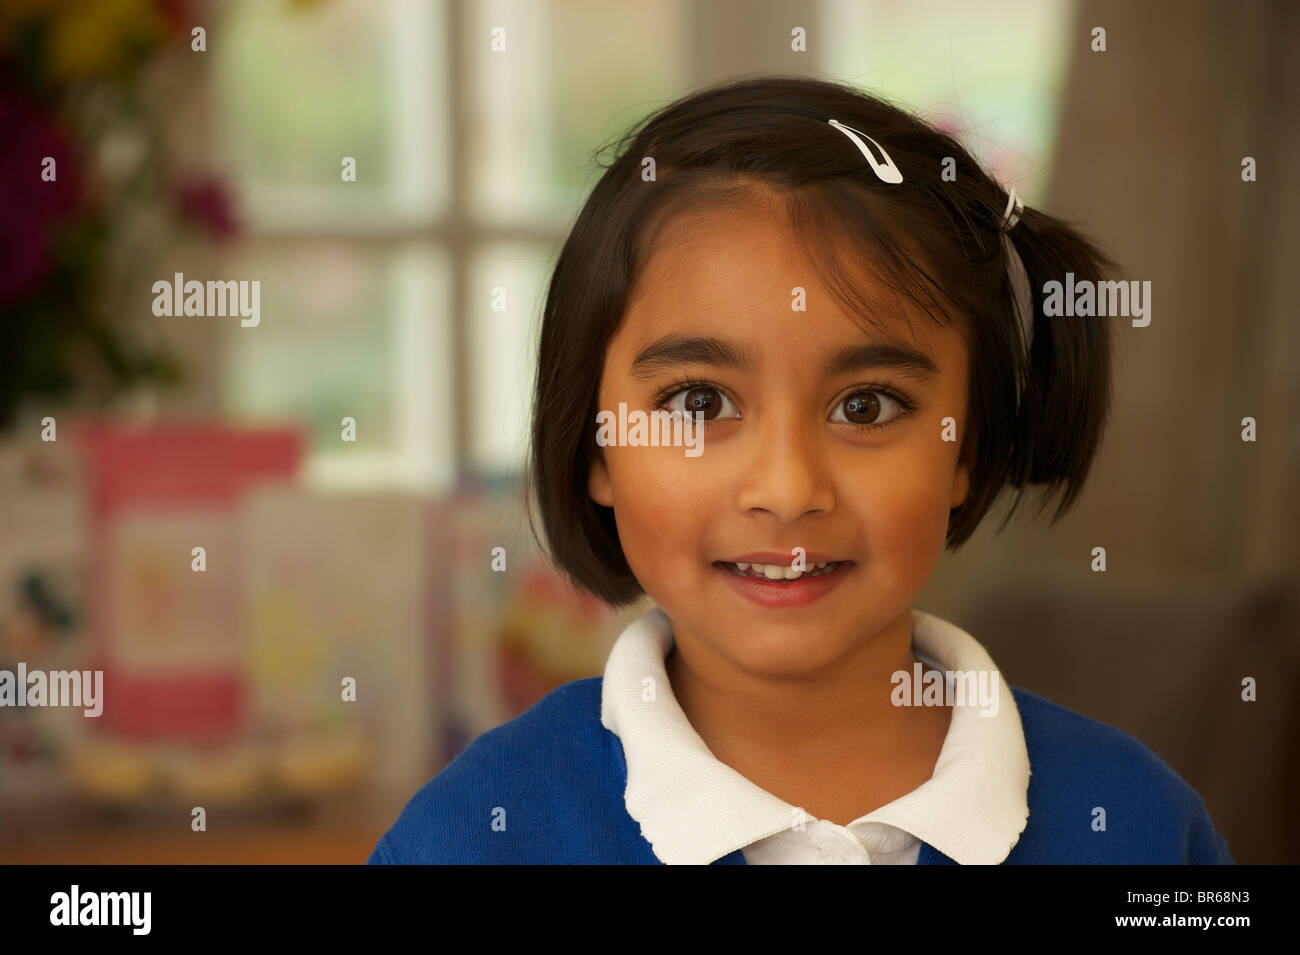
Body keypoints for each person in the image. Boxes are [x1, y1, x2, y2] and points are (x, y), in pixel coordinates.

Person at [368, 75, 1233, 865]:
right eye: (699, 404)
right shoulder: (475, 835)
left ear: (967, 447)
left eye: (867, 406)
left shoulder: (1142, 827)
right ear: (596, 445)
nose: (786, 489)